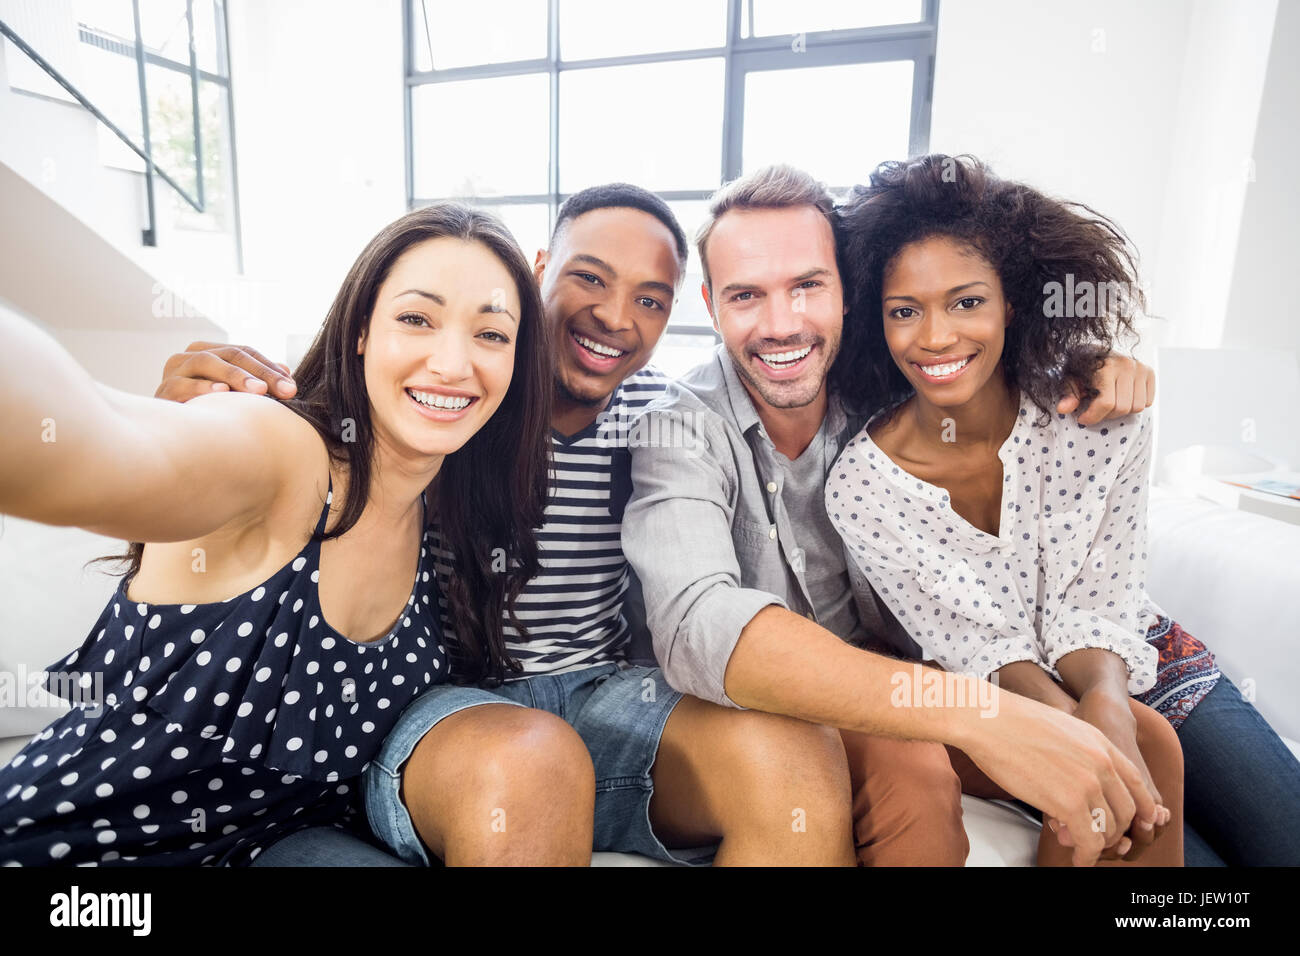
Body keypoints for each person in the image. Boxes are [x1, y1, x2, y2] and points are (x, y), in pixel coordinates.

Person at [155, 185, 861, 866]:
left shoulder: (665, 416)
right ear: (540, 270)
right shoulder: (453, 386)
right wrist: (186, 423)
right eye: (590, 278)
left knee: (798, 755)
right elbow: (287, 447)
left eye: (650, 299)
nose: (616, 317)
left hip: (606, 691)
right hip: (445, 708)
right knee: (530, 759)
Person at [622, 163, 1168, 867]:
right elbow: (698, 623)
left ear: (848, 293)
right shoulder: (680, 429)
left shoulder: (886, 385)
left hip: (924, 681)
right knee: (909, 769)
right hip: (761, 708)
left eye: (808, 286)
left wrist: (1085, 362)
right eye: (746, 295)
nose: (782, 323)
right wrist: (981, 715)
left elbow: (990, 366)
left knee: (1141, 745)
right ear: (710, 303)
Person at [0, 202, 552, 866]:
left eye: (491, 334)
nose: (454, 362)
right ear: (360, 332)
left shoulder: (444, 517)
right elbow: (96, 442)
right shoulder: (284, 451)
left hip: (275, 845)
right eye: (415, 319)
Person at [827, 153, 1300, 866]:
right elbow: (977, 646)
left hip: (1144, 662)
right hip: (1020, 703)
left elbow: (1101, 592)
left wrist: (1107, 699)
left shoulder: (1095, 416)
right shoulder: (861, 486)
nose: (935, 337)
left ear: (1011, 303)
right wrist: (1079, 731)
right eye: (904, 311)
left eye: (966, 301)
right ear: (876, 322)